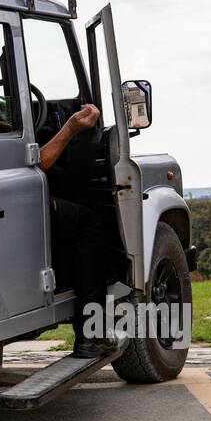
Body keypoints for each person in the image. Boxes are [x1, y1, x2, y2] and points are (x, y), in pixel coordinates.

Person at [37, 101, 119, 359]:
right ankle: (91, 335)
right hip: (18, 202)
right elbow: (39, 163)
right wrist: (70, 127)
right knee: (89, 223)